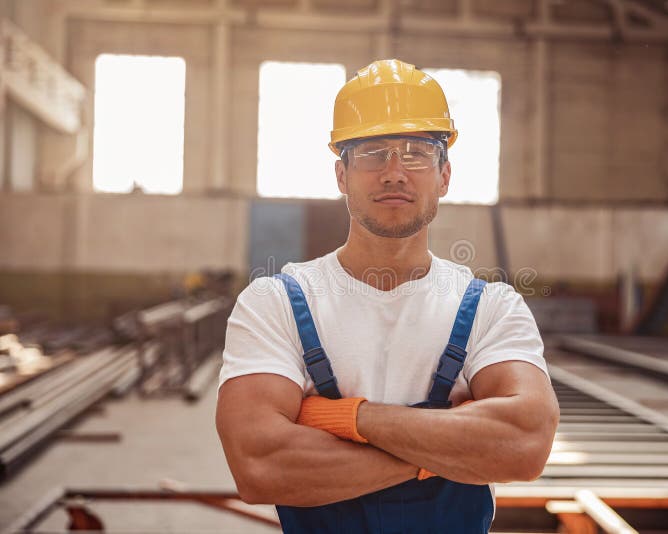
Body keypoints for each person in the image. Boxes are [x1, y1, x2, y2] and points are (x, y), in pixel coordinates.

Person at [216, 59, 559, 533]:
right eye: (373, 151)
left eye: (417, 152)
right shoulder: (275, 303)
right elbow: (259, 467)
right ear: (342, 175)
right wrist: (454, 448)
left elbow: (525, 445)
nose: (395, 172)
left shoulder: (492, 308)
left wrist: (349, 419)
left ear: (444, 176)